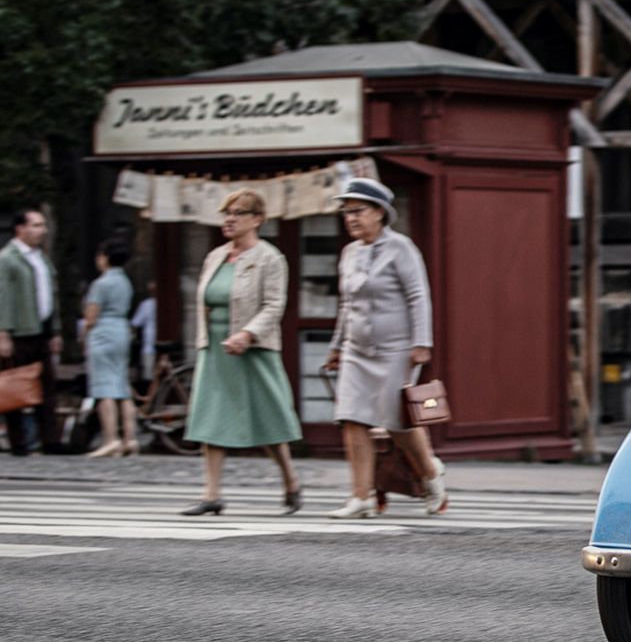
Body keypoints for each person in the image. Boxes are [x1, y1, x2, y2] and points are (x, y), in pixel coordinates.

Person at [322, 178, 446, 519]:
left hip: (396, 349)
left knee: (398, 421)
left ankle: (432, 476)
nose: (351, 218)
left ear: (380, 212)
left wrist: (422, 343)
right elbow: (346, 304)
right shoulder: (350, 252)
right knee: (352, 418)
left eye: (358, 211)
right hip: (356, 349)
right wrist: (336, 347)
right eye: (346, 212)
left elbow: (418, 295)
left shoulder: (401, 247)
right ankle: (360, 496)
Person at [179, 188, 303, 516]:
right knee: (211, 416)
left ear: (257, 220)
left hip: (252, 348)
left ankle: (290, 481)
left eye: (238, 213)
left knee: (268, 418)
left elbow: (275, 305)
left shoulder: (270, 258)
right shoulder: (216, 256)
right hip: (216, 347)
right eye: (226, 213)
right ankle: (212, 493)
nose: (229, 219)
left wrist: (247, 334)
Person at [0, 209, 61, 455]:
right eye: (37, 225)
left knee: (47, 388)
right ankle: (18, 443)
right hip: (18, 331)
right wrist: (4, 332)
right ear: (21, 229)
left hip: (41, 330)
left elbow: (51, 295)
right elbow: (1, 297)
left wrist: (56, 330)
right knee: (14, 389)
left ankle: (50, 440)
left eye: (43, 225)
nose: (43, 230)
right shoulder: (7, 258)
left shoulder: (41, 257)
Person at [81, 238, 138, 458]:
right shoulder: (125, 282)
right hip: (121, 330)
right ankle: (130, 438)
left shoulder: (101, 283)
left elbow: (91, 315)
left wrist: (84, 332)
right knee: (122, 387)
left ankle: (110, 438)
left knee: (104, 388)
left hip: (103, 333)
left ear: (105, 258)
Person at [130, 281, 157, 379]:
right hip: (150, 343)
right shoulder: (147, 304)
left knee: (149, 375)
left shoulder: (146, 305)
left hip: (149, 344)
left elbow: (135, 324)